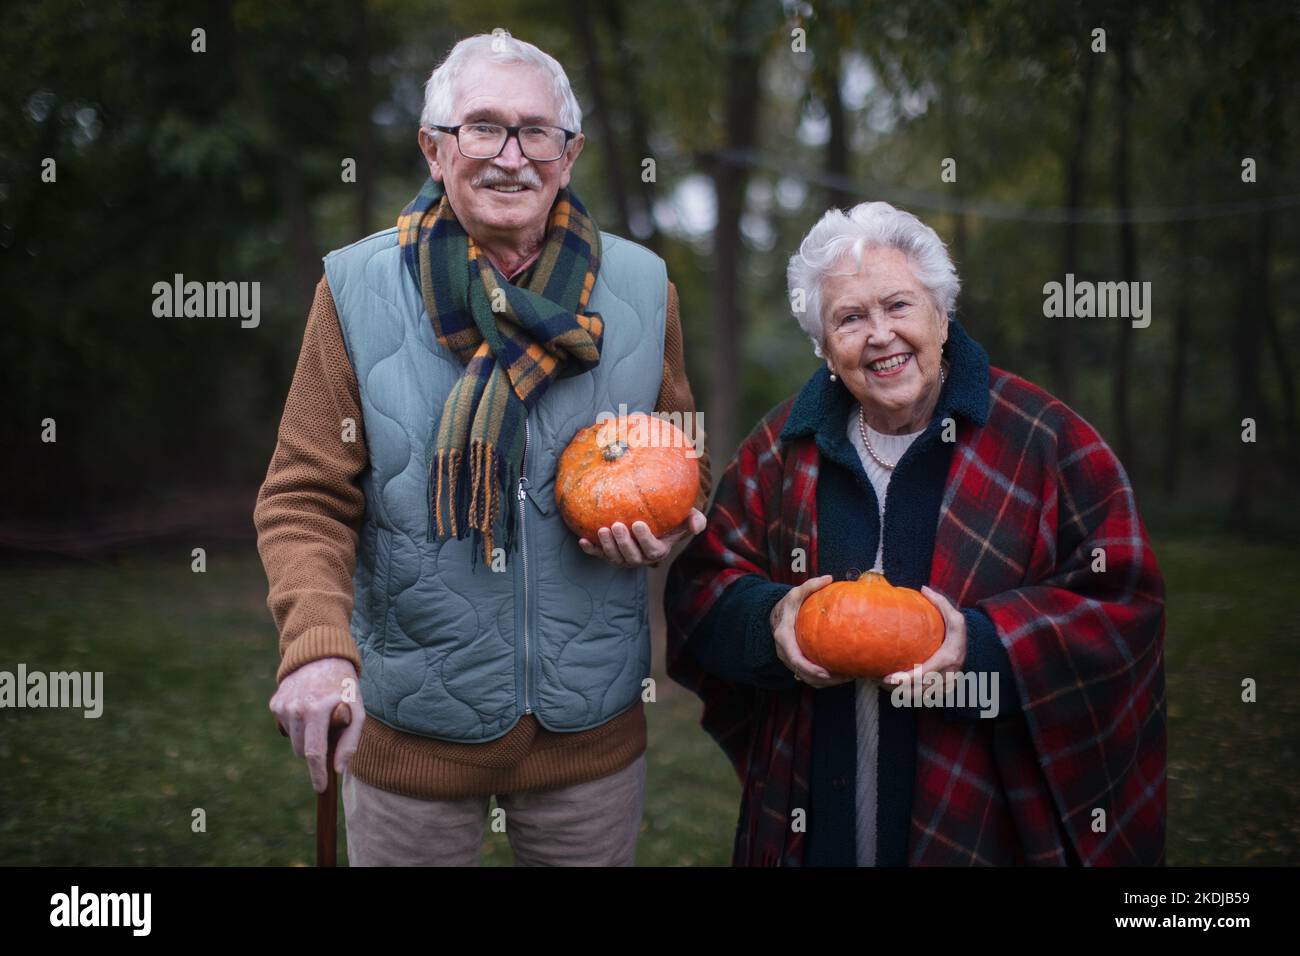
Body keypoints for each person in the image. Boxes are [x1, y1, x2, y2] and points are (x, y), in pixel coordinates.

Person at [255, 30, 709, 866]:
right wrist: (316, 648)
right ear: (434, 149)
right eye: (483, 128)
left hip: (590, 737)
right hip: (411, 735)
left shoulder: (645, 289)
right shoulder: (355, 290)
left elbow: (679, 456)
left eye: (537, 132)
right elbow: (304, 496)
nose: (512, 156)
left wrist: (673, 522)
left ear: (567, 157)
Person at [665, 200, 1165, 866]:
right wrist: (770, 623)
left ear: (940, 312)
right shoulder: (780, 449)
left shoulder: (1044, 439)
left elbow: (1125, 607)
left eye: (898, 306)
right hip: (808, 809)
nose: (879, 335)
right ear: (823, 345)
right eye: (849, 318)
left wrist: (984, 645)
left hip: (980, 813)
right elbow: (699, 591)